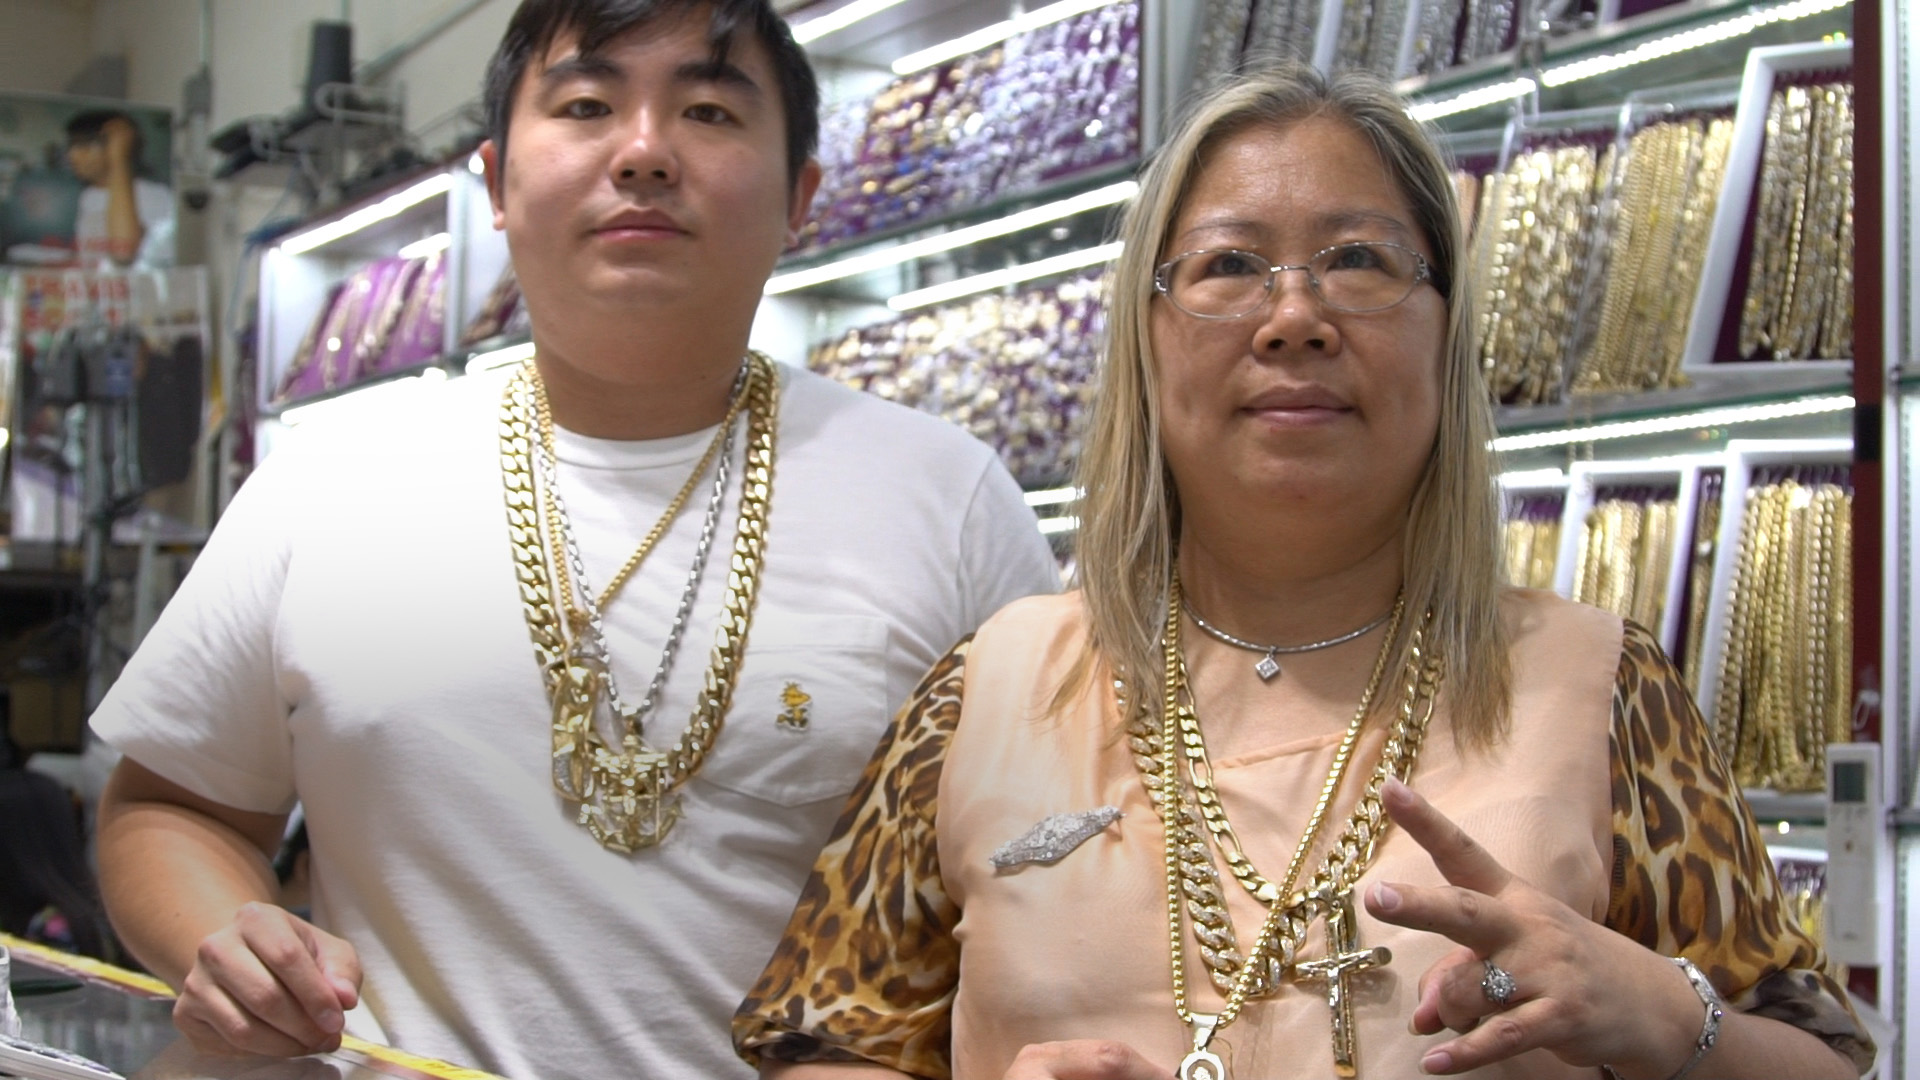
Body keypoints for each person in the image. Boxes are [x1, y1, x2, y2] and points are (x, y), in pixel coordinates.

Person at [733, 64, 1873, 1080]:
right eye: (1231, 265)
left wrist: (1665, 1016)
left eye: (1359, 262)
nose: (1294, 317)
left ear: (1445, 330)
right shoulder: (989, 684)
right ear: (1150, 332)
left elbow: (1816, 1056)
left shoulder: (1596, 684)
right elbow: (823, 1041)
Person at [90, 2, 1057, 1077]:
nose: (643, 152)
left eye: (707, 109)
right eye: (588, 105)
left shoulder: (948, 500)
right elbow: (168, 806)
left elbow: (1055, 876)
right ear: (497, 182)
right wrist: (227, 936)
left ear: (801, 199)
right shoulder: (330, 480)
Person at [64, 110, 175, 269]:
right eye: (71, 146)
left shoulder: (155, 195)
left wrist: (119, 158)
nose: (72, 155)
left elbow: (123, 254)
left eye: (83, 145)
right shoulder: (89, 195)